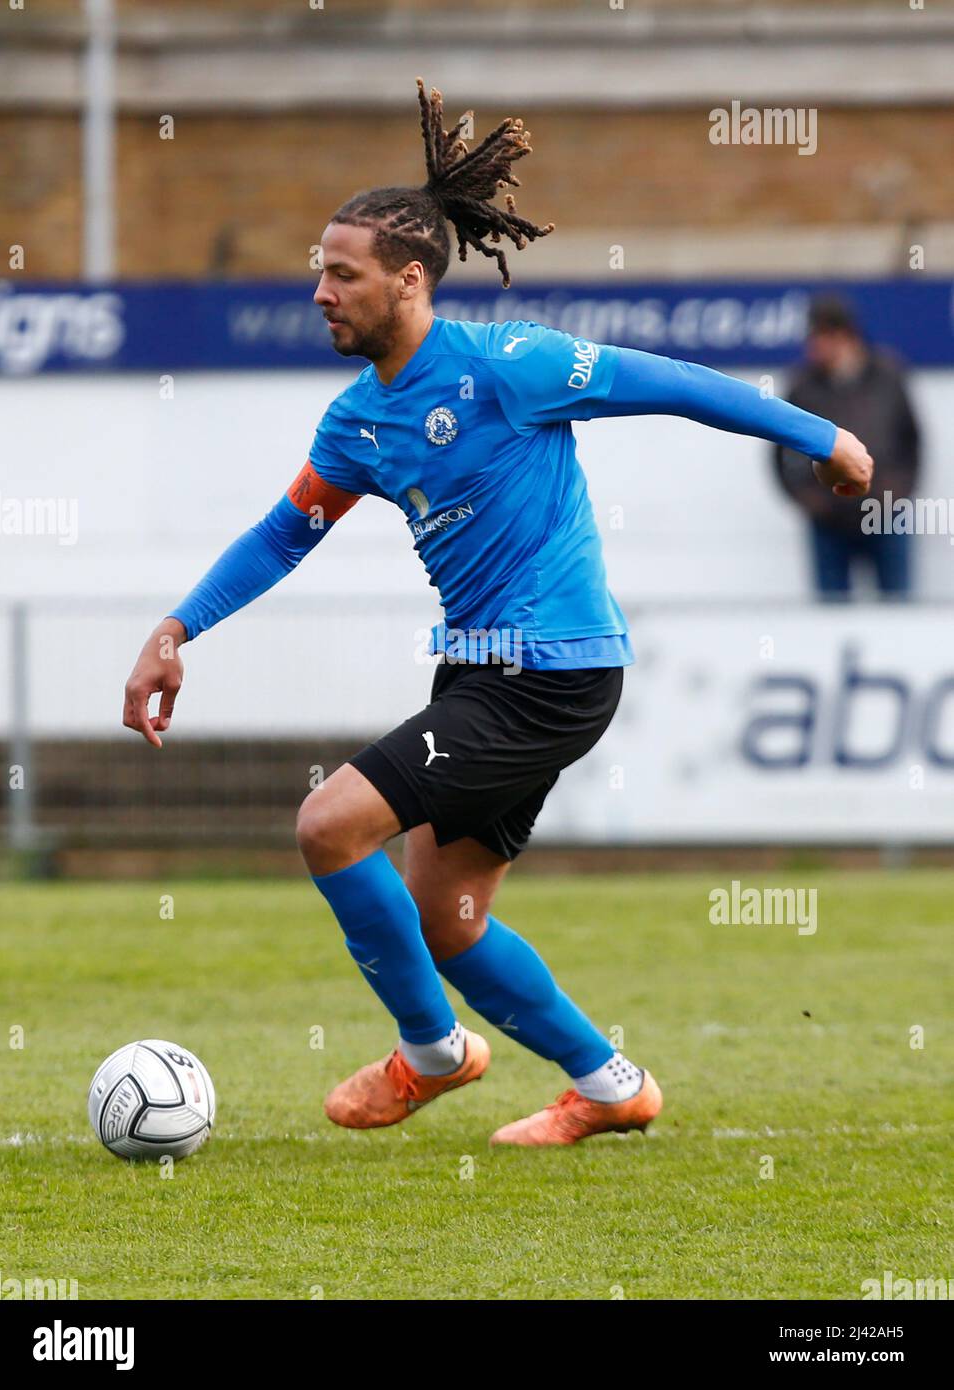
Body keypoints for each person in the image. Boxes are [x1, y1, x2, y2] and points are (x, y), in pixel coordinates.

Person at [123, 81, 873, 1146]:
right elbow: (286, 532)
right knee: (449, 920)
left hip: (554, 669)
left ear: (410, 279)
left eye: (342, 274)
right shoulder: (355, 421)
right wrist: (175, 630)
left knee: (328, 824)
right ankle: (611, 1087)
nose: (321, 294)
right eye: (317, 274)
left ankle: (432, 1054)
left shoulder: (503, 365)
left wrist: (820, 436)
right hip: (480, 674)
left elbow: (664, 381)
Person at [774, 294, 919, 598]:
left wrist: (896, 492)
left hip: (885, 514)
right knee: (832, 612)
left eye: (819, 336)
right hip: (829, 522)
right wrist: (813, 501)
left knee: (899, 608)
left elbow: (912, 441)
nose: (813, 347)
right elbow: (781, 451)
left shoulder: (888, 375)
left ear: (843, 335)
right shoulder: (803, 384)